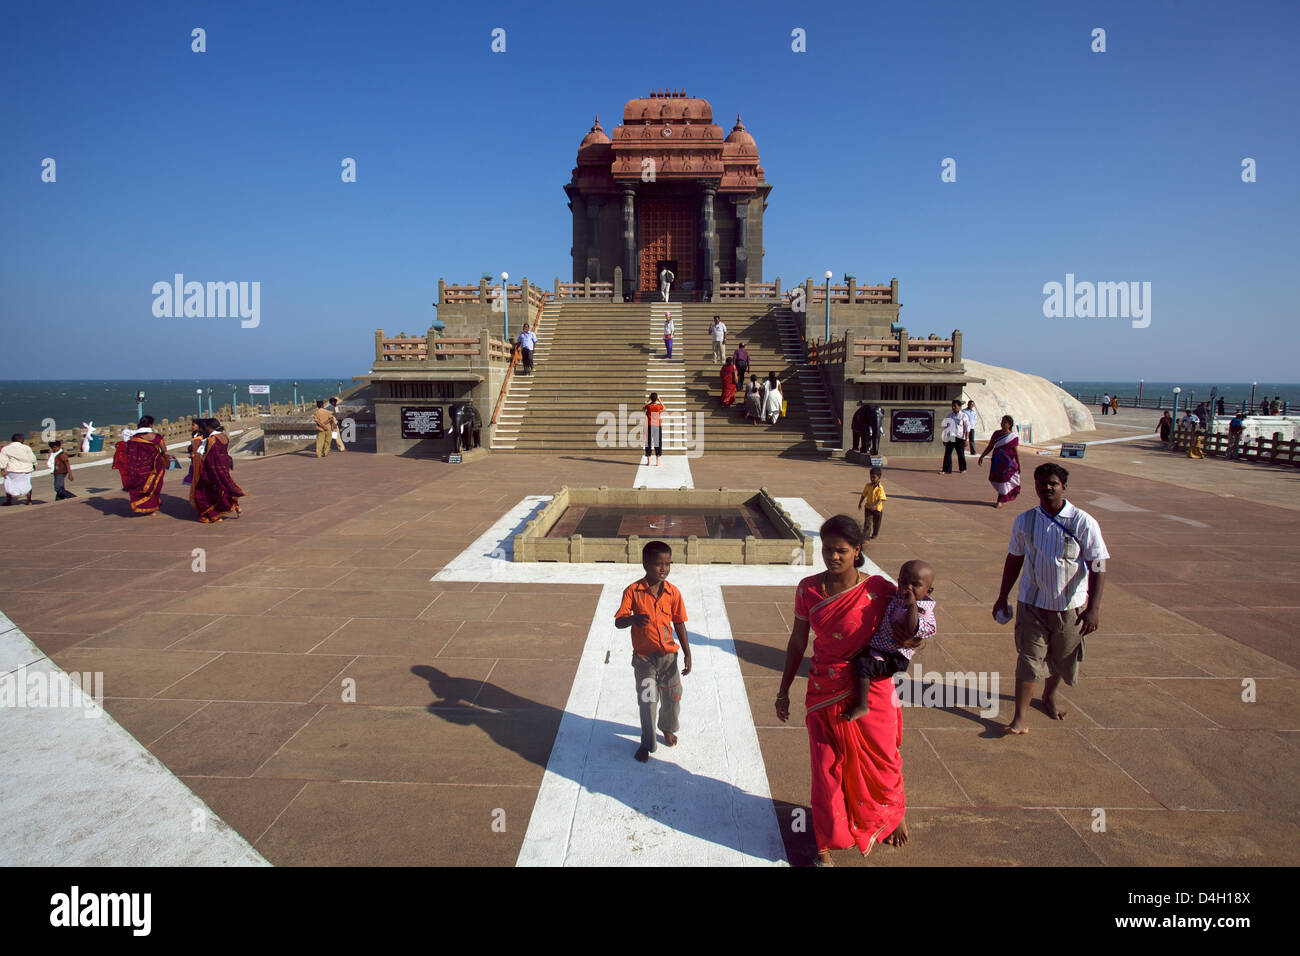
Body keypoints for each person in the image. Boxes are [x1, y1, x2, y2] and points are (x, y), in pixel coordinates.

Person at [776, 514, 911, 865]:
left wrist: (914, 640)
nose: (832, 557)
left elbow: (912, 629)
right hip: (825, 687)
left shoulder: (880, 590)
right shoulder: (808, 589)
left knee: (883, 759)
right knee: (825, 769)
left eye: (841, 551)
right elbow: (796, 643)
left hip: (873, 688)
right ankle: (825, 839)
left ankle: (891, 815)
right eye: (827, 550)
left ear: (857, 550)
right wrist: (783, 689)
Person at [992, 463, 1108, 734]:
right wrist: (1002, 595)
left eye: (1053, 483)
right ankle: (1019, 718)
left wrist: (1094, 608)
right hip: (1032, 603)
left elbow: (1098, 564)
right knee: (1029, 658)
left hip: (1070, 606)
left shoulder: (1082, 522)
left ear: (1063, 487)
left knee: (1061, 657)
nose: (1047, 488)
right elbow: (1015, 558)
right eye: (1042, 483)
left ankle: (1049, 695)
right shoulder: (1025, 521)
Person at [615, 540, 692, 762]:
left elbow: (679, 623)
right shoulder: (633, 591)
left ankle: (667, 728)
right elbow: (619, 622)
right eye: (658, 564)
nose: (664, 569)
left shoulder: (673, 593)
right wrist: (632, 619)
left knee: (672, 697)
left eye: (668, 564)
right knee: (648, 700)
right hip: (644, 659)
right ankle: (648, 742)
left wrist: (687, 653)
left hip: (669, 658)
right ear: (645, 564)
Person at [843, 560, 936, 721]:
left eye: (916, 584)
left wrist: (912, 606)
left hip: (895, 657)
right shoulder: (897, 596)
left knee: (863, 666)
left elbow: (912, 628)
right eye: (903, 581)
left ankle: (862, 705)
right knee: (854, 654)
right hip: (880, 647)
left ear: (928, 590)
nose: (908, 587)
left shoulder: (923, 610)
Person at [189, 419, 245, 523]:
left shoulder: (212, 439)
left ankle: (213, 515)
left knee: (203, 493)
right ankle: (236, 507)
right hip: (223, 466)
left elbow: (208, 456)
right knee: (224, 487)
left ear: (209, 428)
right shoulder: (223, 436)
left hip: (212, 468)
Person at [112, 416, 168, 515]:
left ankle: (145, 506)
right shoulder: (157, 437)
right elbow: (164, 450)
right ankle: (152, 508)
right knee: (155, 486)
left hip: (140, 468)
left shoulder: (135, 438)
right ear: (150, 425)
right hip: (155, 466)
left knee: (141, 487)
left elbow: (130, 453)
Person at [978, 415, 1021, 508]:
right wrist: (982, 456)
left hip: (1008, 463)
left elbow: (1016, 452)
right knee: (994, 479)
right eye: (1002, 421)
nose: (1002, 424)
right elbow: (990, 446)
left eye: (1005, 422)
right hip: (997, 462)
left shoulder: (1013, 437)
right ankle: (1003, 496)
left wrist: (1019, 464)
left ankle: (1000, 500)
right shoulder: (996, 434)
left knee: (1004, 480)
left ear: (1009, 424)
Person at [1, 434, 37, 506]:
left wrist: (2, 469)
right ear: (20, 440)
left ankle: (9, 501)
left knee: (9, 484)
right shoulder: (26, 448)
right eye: (23, 439)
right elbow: (32, 458)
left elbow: (2, 460)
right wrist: (34, 464)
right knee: (27, 484)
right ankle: (29, 501)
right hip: (26, 469)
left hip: (12, 470)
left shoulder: (6, 448)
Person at [940, 399, 969, 474]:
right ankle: (946, 470)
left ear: (959, 407)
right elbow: (946, 428)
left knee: (960, 454)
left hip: (959, 437)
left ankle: (963, 468)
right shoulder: (949, 415)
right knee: (947, 454)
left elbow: (967, 428)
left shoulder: (963, 415)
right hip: (951, 437)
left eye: (955, 406)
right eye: (952, 406)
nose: (953, 407)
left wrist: (966, 439)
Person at [857, 467, 886, 539]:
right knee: (867, 522)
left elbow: (881, 498)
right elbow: (864, 494)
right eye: (871, 477)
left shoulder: (880, 488)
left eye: (874, 477)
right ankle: (866, 536)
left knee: (876, 523)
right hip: (868, 507)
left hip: (877, 509)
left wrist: (876, 505)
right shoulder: (868, 486)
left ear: (878, 477)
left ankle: (875, 533)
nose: (872, 479)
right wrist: (860, 502)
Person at [643, 392, 664, 466]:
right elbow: (664, 407)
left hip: (649, 426)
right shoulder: (658, 406)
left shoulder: (648, 406)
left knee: (648, 443)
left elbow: (643, 408)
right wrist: (660, 400)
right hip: (657, 426)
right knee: (657, 443)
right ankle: (657, 462)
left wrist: (648, 399)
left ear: (651, 398)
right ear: (656, 399)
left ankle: (648, 462)